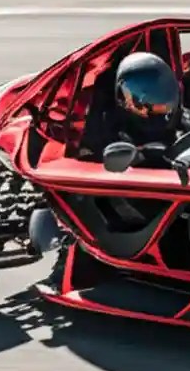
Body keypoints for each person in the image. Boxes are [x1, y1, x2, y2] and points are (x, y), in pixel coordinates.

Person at [34, 51, 182, 295]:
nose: (158, 108)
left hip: (172, 194)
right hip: (123, 204)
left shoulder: (179, 118)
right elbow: (93, 162)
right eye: (148, 103)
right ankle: (66, 254)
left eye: (163, 101)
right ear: (126, 100)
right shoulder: (108, 130)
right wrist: (140, 156)